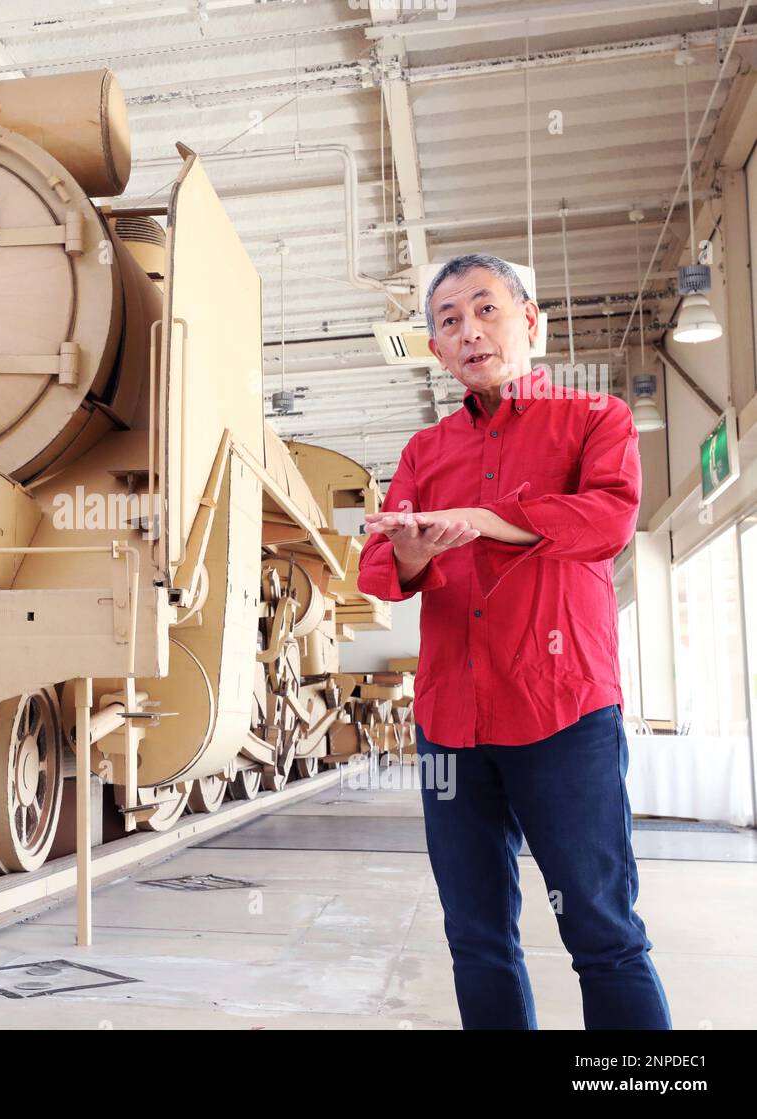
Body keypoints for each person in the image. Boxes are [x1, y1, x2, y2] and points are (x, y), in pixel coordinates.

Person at [357, 253, 671, 1030]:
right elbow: (380, 567)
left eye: (486, 309)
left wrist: (488, 520)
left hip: (561, 714)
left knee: (603, 933)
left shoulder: (596, 419)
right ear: (434, 349)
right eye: (449, 321)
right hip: (450, 724)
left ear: (530, 321)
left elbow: (607, 521)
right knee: (475, 937)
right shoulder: (424, 455)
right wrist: (415, 550)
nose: (470, 331)